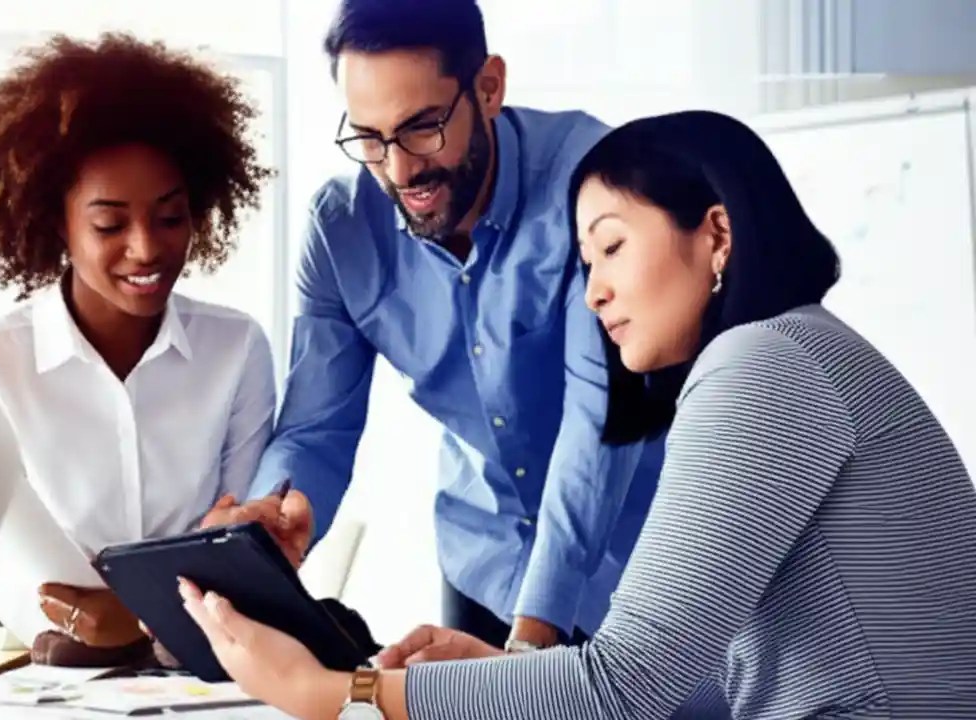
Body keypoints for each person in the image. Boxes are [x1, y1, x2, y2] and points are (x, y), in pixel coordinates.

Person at [179, 109, 976, 719]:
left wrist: (333, 691)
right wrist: (502, 676)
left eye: (613, 247)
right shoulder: (798, 350)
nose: (592, 292)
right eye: (585, 261)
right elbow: (690, 676)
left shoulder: (761, 365)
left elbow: (623, 686)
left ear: (717, 235)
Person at [233, 0, 665, 652]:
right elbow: (316, 428)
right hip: (486, 555)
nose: (400, 171)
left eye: (422, 127)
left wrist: (535, 640)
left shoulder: (597, 185)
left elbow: (599, 417)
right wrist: (272, 520)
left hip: (635, 559)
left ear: (488, 88)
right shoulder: (342, 228)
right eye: (370, 137)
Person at [0, 32, 281, 664]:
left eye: (170, 217)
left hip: (209, 669)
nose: (147, 248)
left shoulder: (236, 350)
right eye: (109, 223)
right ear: (56, 221)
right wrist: (75, 618)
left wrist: (143, 620)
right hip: (51, 674)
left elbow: (240, 545)